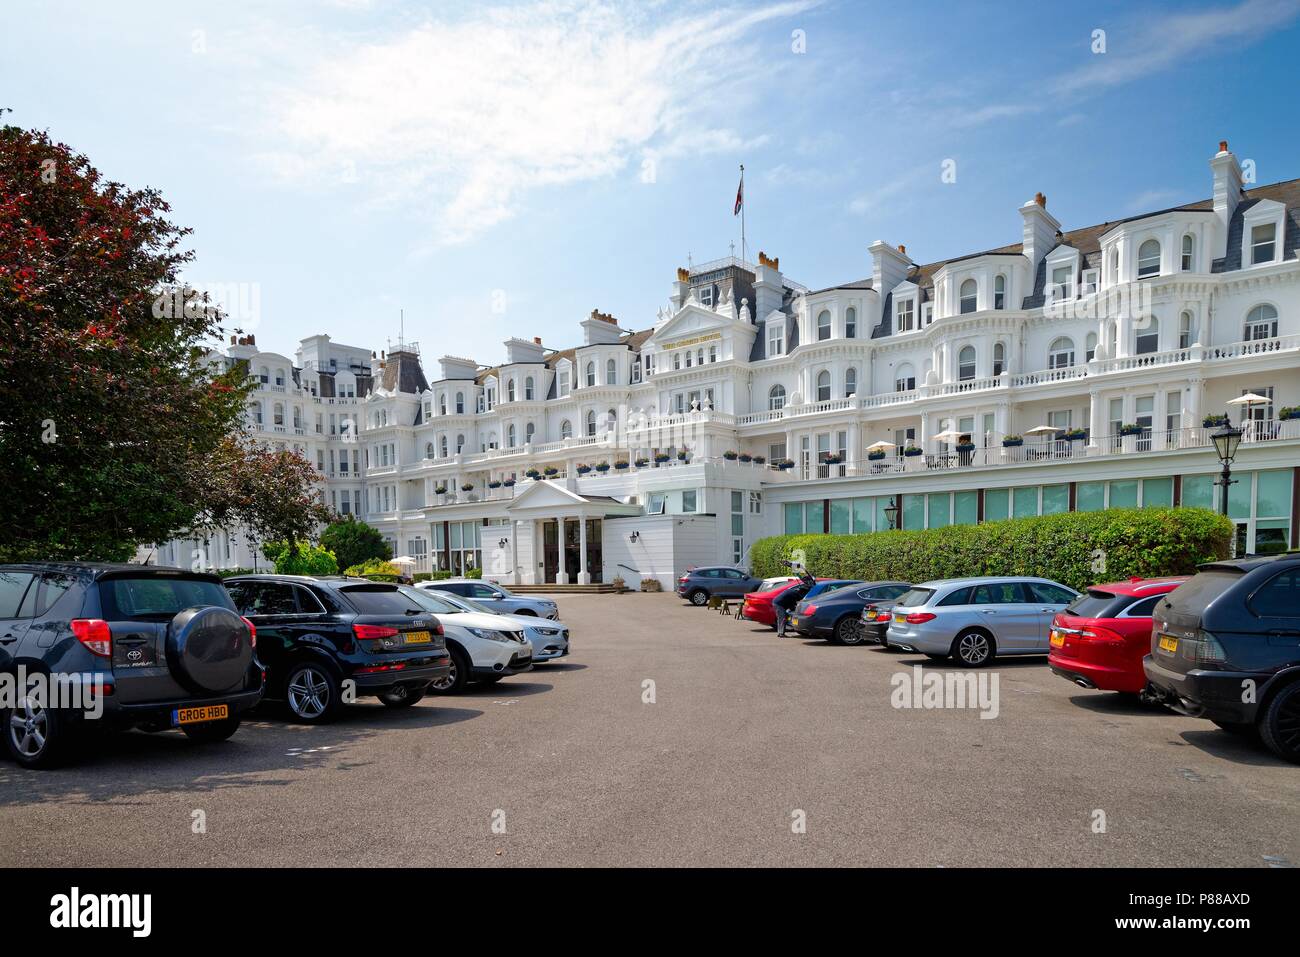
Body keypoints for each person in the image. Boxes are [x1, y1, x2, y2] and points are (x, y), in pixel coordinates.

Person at [773, 567, 815, 637]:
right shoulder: (795, 593)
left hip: (779, 603)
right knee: (782, 617)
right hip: (778, 604)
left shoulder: (794, 592)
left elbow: (791, 603)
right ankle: (781, 634)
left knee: (783, 617)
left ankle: (780, 632)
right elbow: (794, 602)